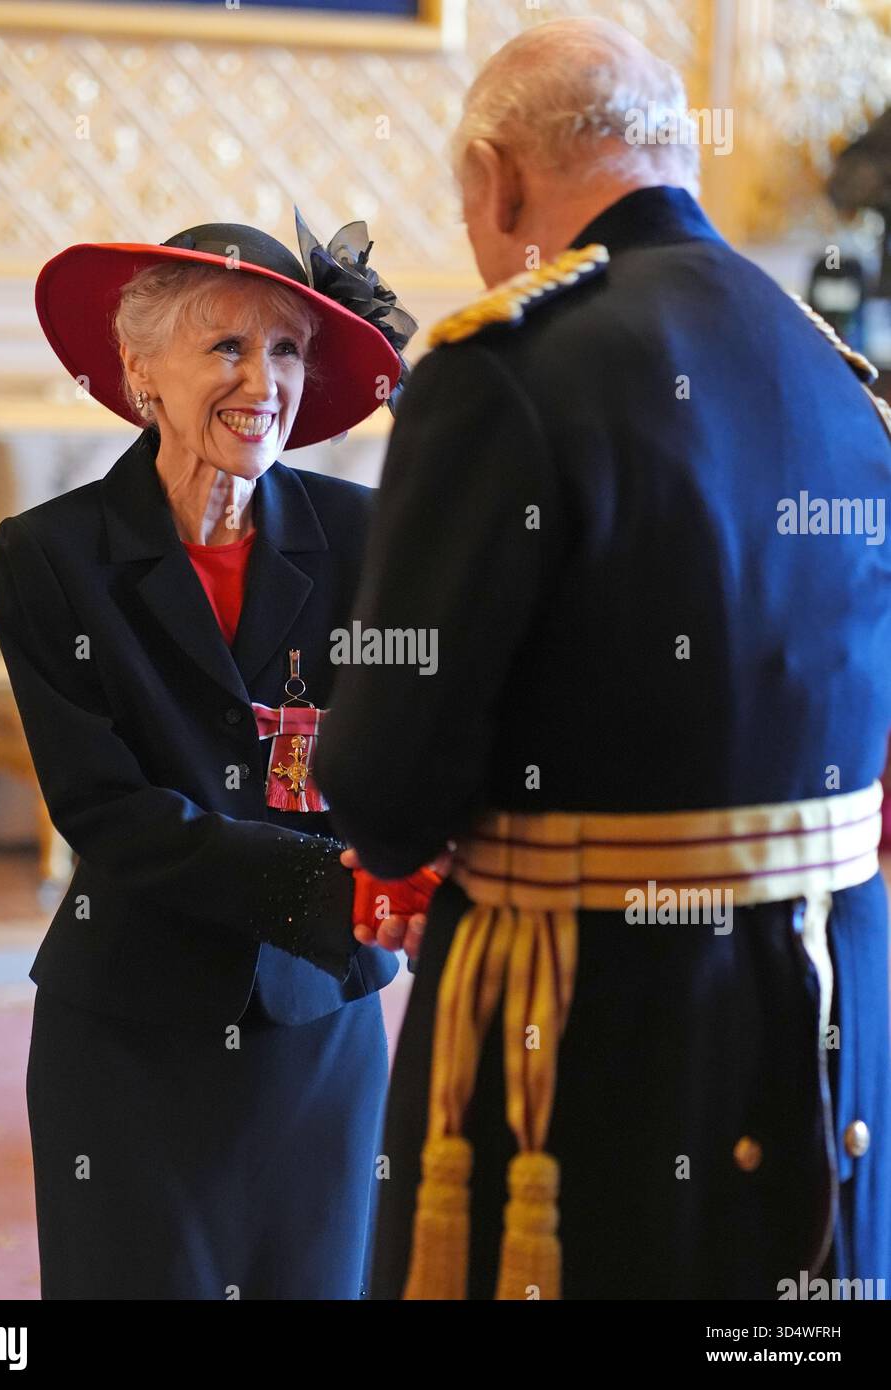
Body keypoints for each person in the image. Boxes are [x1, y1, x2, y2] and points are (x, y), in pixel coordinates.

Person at [317, 17, 891, 1300]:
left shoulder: (500, 371)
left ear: (498, 177)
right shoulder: (832, 367)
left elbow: (383, 791)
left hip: (593, 1011)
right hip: (830, 994)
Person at [0, 213, 435, 1299]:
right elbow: (106, 811)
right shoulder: (50, 557)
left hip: (318, 1034)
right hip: (131, 1038)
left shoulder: (366, 537)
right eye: (224, 347)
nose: (263, 380)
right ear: (140, 368)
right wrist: (336, 889)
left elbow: (404, 750)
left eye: (284, 348)